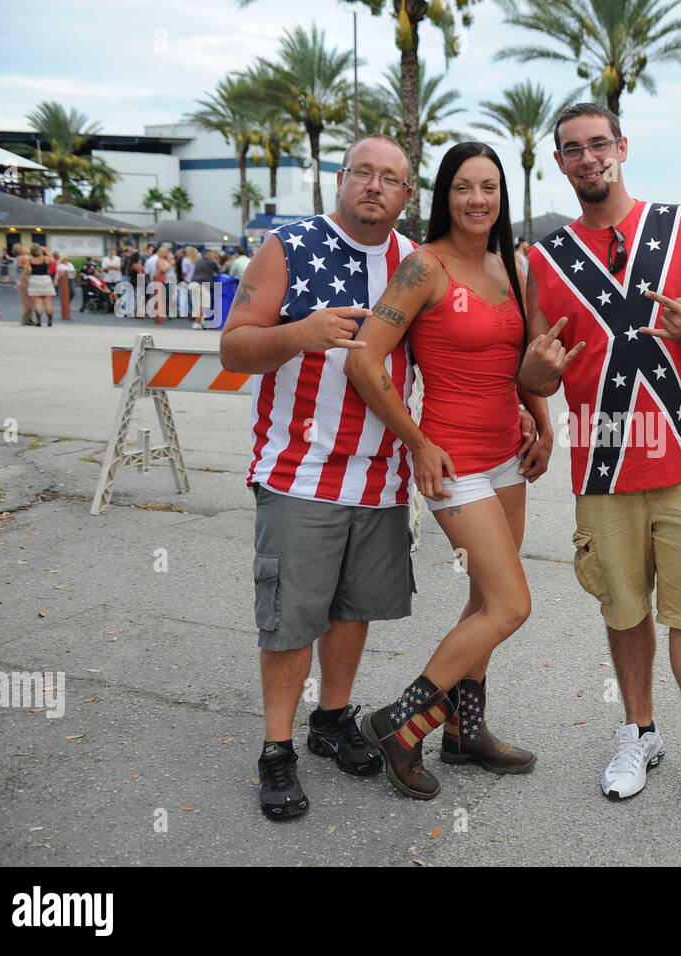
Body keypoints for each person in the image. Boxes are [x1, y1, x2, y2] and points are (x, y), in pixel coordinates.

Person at [518, 103, 681, 838]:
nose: (588, 159)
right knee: (622, 610)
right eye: (572, 150)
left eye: (598, 145)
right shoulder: (544, 259)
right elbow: (534, 369)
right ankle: (639, 731)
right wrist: (537, 370)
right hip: (601, 465)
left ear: (622, 147)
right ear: (558, 162)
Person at [218, 134, 422, 821]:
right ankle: (277, 749)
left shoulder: (413, 263)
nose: (374, 185)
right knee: (289, 621)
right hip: (299, 473)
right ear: (341, 178)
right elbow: (234, 346)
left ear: (407, 193)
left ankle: (331, 718)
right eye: (363, 172)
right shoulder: (288, 246)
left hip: (382, 480)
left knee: (352, 608)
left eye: (390, 177)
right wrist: (299, 333)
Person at [344, 142, 547, 799]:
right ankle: (402, 724)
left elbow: (527, 359)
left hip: (506, 457)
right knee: (513, 603)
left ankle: (465, 731)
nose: (478, 199)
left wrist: (541, 422)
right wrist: (419, 443)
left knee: (487, 598)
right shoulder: (422, 268)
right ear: (444, 195)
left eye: (489, 187)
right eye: (465, 187)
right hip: (453, 459)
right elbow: (364, 361)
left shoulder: (513, 265)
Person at [23, 244, 54, 327]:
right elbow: (53, 260)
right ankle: (49, 321)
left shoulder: (29, 260)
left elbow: (28, 270)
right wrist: (46, 252)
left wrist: (30, 255)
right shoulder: (45, 259)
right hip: (46, 279)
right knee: (48, 302)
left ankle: (38, 321)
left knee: (38, 302)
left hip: (35, 279)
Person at [190, 248, 221, 329]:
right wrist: (216, 260)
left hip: (192, 283)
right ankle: (198, 323)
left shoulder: (198, 261)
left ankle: (201, 322)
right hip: (203, 285)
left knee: (197, 305)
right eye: (213, 254)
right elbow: (219, 271)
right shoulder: (211, 262)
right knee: (204, 305)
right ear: (209, 254)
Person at [13, 244, 33, 326]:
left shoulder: (20, 258)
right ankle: (25, 320)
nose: (26, 248)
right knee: (27, 301)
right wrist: (30, 253)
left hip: (23, 280)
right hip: (24, 280)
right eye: (24, 248)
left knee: (28, 301)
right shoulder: (23, 258)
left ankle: (28, 319)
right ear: (20, 250)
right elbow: (29, 267)